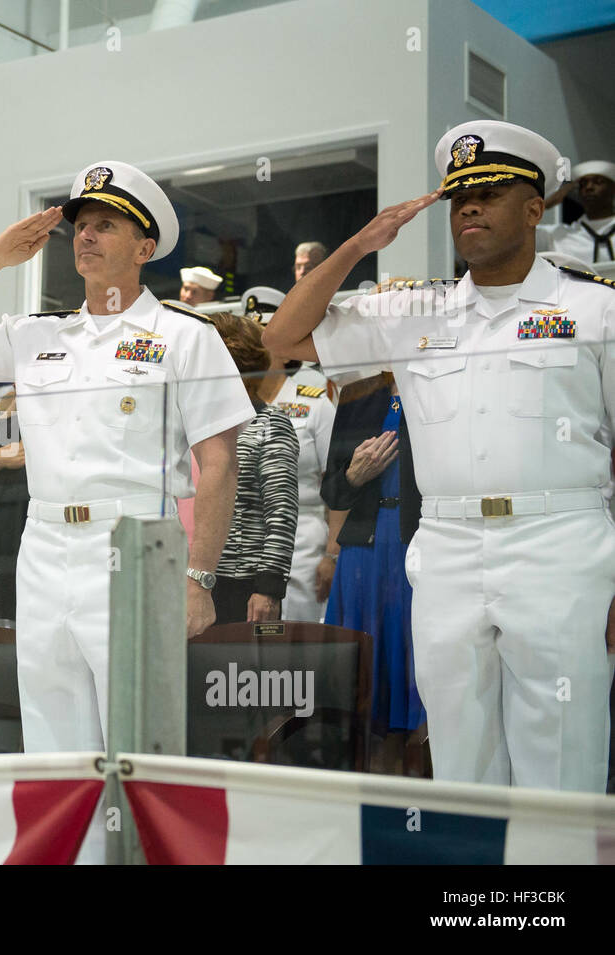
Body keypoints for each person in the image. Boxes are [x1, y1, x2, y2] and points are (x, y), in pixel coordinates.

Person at [263, 119, 615, 793]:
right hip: (448, 546)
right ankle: (474, 897)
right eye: (459, 198)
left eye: (490, 194)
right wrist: (359, 246)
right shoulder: (417, 313)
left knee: (562, 758)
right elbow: (285, 334)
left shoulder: (594, 310)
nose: (470, 208)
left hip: (562, 542)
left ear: (537, 208)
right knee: (459, 752)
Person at [0, 160, 252, 763]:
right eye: (81, 225)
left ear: (146, 248)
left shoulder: (186, 336)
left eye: (105, 225)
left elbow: (219, 464)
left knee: (140, 740)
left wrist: (199, 580)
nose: (86, 235)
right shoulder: (39, 334)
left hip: (135, 544)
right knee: (50, 737)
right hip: (42, 545)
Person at [321, 371, 424, 772]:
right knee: (366, 688)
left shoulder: (437, 382)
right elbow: (332, 489)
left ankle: (427, 792)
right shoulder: (357, 393)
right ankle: (377, 799)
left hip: (420, 544)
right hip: (363, 551)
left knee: (421, 678)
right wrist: (352, 475)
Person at [245, 286, 338, 622]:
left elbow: (336, 483)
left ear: (283, 350)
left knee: (298, 643)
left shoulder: (313, 402)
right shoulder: (233, 403)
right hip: (242, 539)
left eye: (261, 343)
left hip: (302, 540)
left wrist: (332, 555)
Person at [207, 312, 299, 624]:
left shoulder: (269, 423)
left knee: (235, 673)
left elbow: (282, 513)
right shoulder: (192, 423)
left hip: (244, 586)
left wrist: (269, 589)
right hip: (192, 576)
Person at [540, 160, 615, 266]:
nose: (589, 187)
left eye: (598, 182)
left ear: (613, 189)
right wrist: (544, 203)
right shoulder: (559, 235)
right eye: (583, 184)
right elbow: (513, 230)